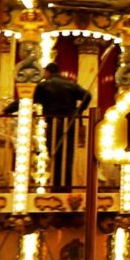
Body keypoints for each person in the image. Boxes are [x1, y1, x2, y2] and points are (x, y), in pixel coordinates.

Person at [33, 62, 90, 191]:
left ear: (47, 72)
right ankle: (66, 187)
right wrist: (78, 111)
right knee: (67, 156)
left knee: (55, 155)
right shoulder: (70, 85)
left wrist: (8, 109)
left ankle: (56, 186)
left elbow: (29, 99)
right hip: (69, 123)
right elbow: (88, 95)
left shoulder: (44, 86)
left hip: (53, 122)